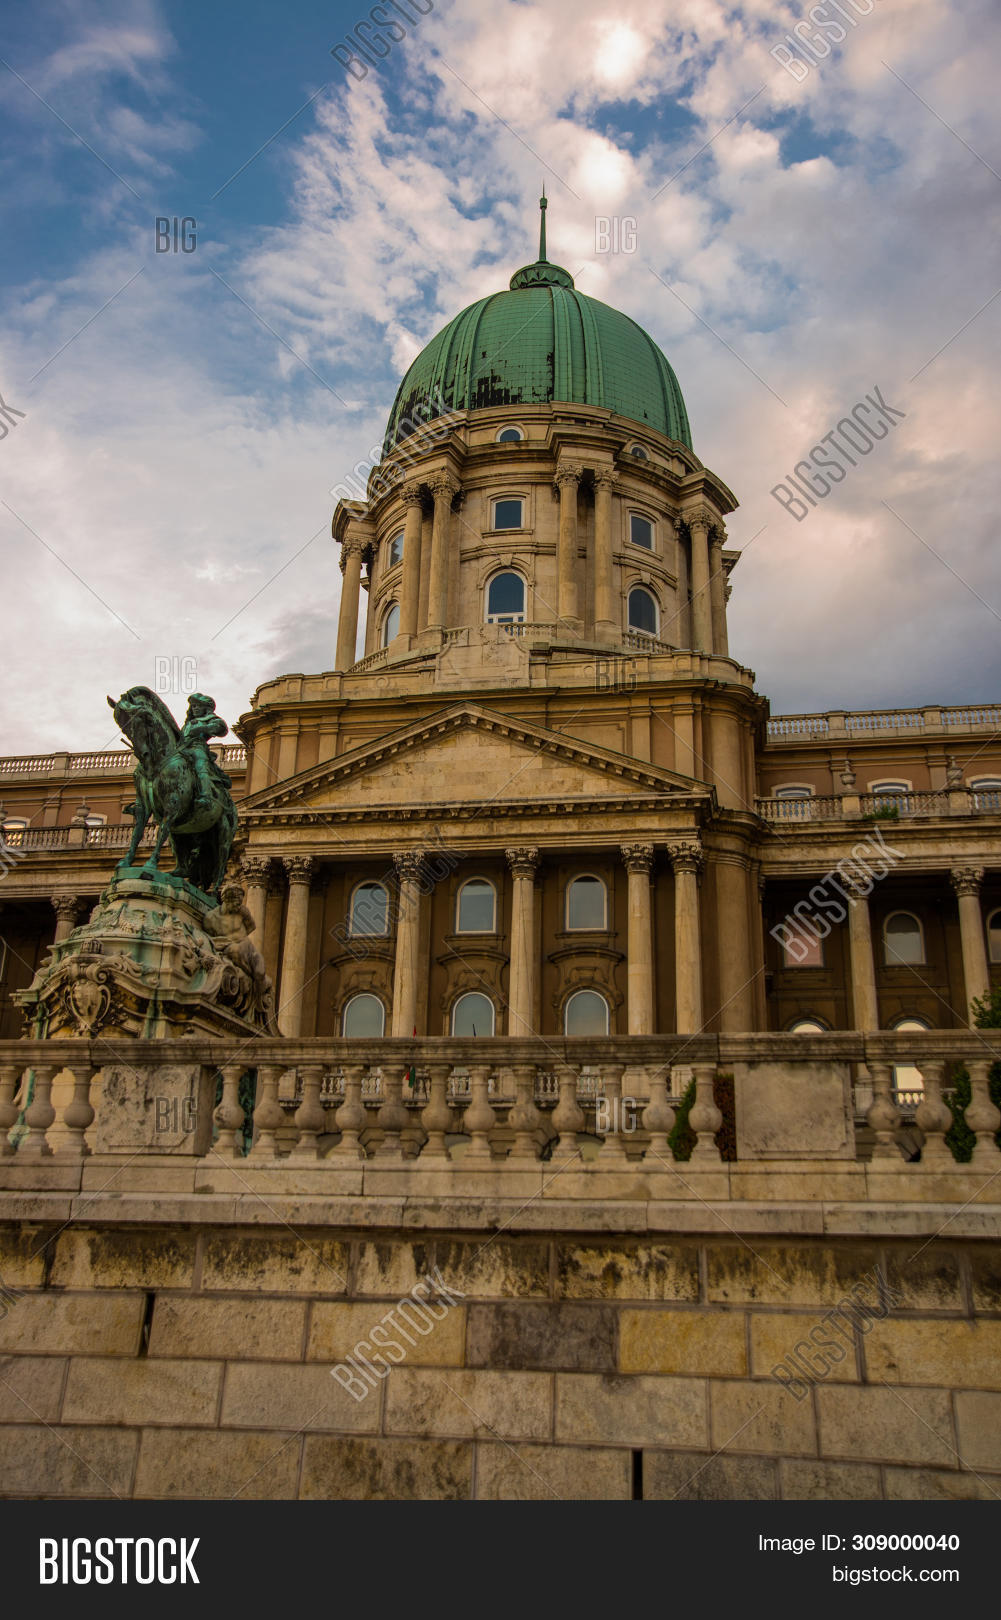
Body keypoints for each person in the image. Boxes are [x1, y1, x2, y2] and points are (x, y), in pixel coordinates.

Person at [179, 694, 229, 820]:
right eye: (193, 706)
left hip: (197, 747)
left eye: (198, 706)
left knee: (200, 765)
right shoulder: (187, 724)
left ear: (206, 708)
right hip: (181, 749)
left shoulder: (210, 719)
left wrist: (204, 728)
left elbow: (222, 728)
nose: (195, 708)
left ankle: (206, 796)